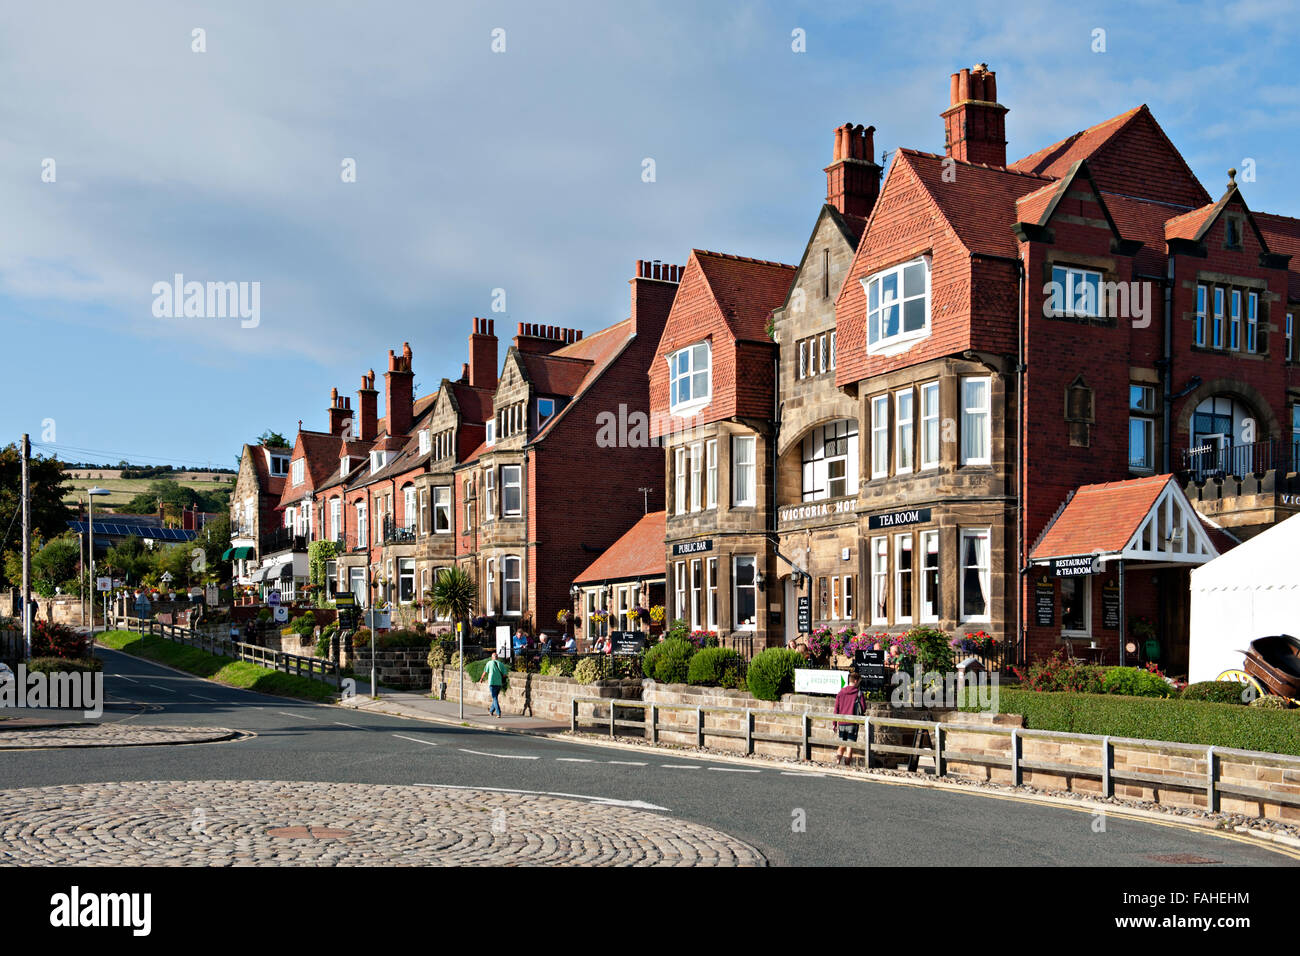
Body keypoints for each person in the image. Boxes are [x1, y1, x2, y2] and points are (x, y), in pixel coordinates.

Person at [833, 668, 864, 767]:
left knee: (841, 745)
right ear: (855, 681)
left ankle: (837, 763)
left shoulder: (841, 692)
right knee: (850, 747)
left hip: (841, 723)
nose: (859, 683)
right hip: (852, 723)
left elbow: (836, 709)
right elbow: (863, 707)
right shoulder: (859, 693)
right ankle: (847, 765)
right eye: (859, 681)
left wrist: (834, 723)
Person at [480, 650, 508, 718]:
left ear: (492, 657)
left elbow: (485, 672)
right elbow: (504, 675)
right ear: (497, 657)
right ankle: (491, 711)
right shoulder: (501, 664)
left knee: (494, 697)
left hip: (492, 682)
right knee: (495, 697)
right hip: (499, 683)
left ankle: (498, 713)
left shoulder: (489, 663)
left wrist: (481, 679)